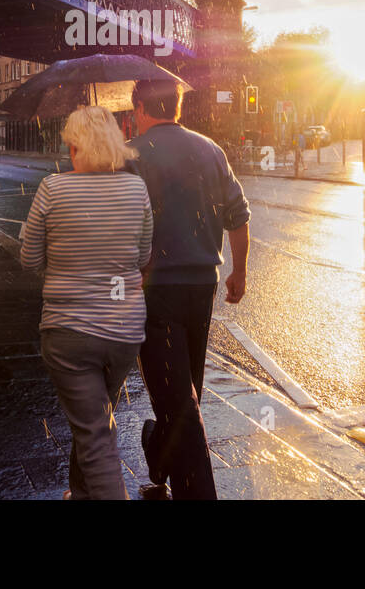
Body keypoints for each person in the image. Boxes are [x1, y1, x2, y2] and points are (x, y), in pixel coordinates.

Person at [126, 79, 250, 500]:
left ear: (140, 106)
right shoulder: (210, 150)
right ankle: (159, 457)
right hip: (203, 289)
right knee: (182, 392)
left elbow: (118, 225)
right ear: (176, 106)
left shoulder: (132, 154)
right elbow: (238, 215)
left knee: (178, 402)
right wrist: (240, 273)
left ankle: (193, 490)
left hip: (154, 291)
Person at [20, 106, 152, 500]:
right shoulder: (136, 188)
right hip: (125, 333)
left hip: (69, 332)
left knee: (95, 431)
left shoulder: (52, 189)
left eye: (70, 146)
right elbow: (143, 257)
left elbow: (29, 259)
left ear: (77, 146)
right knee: (95, 418)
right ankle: (80, 492)